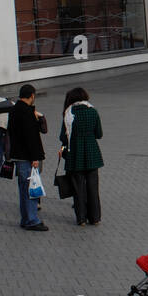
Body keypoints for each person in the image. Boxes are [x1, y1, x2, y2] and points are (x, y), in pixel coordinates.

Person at [60, 87, 104, 227]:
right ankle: (95, 217)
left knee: (78, 189)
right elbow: (99, 134)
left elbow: (63, 137)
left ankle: (81, 218)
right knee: (93, 187)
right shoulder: (93, 111)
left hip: (75, 155)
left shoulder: (68, 113)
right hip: (92, 153)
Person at [6, 83, 48, 231]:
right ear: (32, 95)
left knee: (23, 189)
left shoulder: (14, 110)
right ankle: (32, 220)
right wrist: (35, 158)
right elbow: (31, 138)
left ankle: (26, 218)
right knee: (31, 189)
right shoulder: (27, 112)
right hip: (26, 156)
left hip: (17, 155)